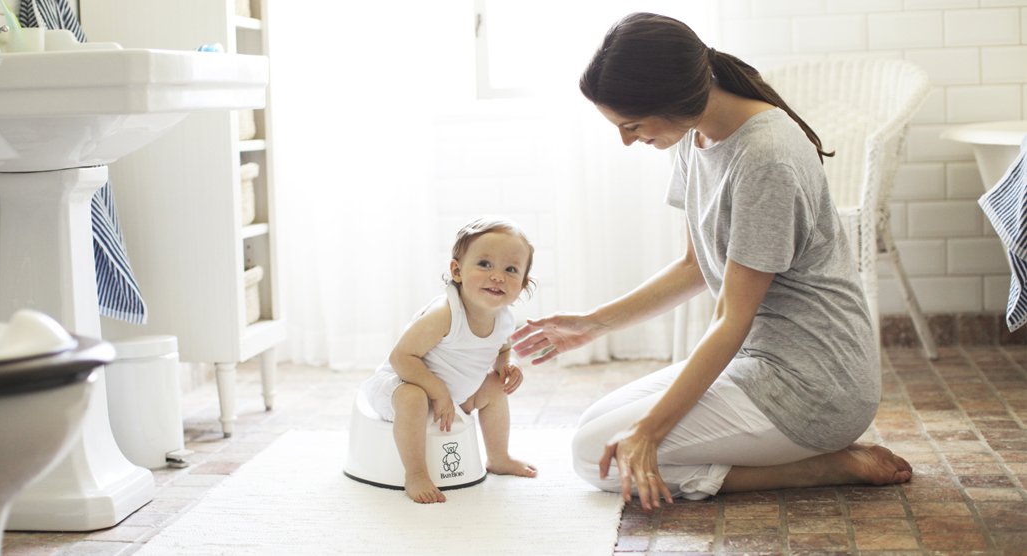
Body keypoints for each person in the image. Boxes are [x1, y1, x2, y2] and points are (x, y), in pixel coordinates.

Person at [510, 13, 913, 511]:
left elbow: (732, 316)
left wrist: (651, 433)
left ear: (673, 99)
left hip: (816, 387)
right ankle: (797, 458)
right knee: (598, 426)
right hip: (760, 364)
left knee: (596, 454)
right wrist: (591, 325)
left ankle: (820, 466)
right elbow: (694, 266)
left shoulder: (766, 157)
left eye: (631, 125)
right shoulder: (695, 135)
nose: (627, 140)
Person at [360, 217, 539, 504]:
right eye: (484, 264)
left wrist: (509, 364)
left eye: (510, 269)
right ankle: (416, 473)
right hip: (405, 385)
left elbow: (502, 349)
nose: (497, 276)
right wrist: (436, 390)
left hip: (454, 395)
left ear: (522, 284)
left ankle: (498, 457)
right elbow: (401, 357)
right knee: (412, 397)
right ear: (457, 270)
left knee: (494, 386)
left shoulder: (504, 319)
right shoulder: (445, 314)